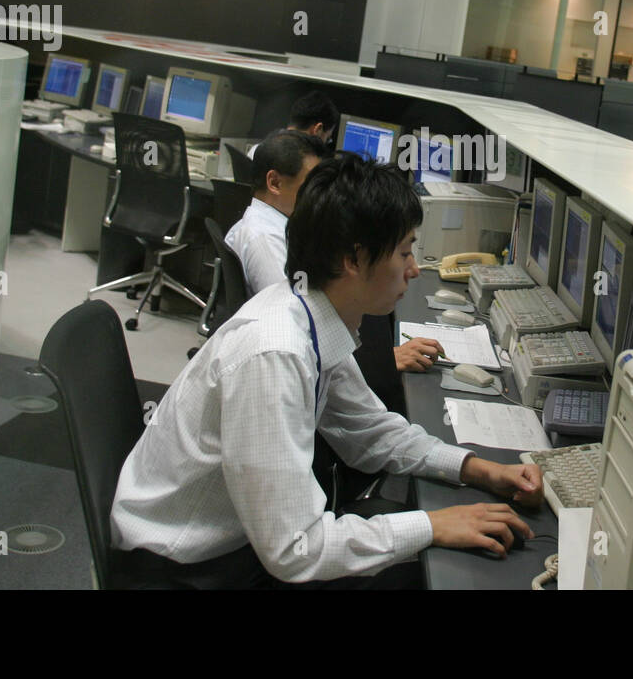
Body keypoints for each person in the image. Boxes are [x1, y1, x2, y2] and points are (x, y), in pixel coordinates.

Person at [110, 154, 543, 588]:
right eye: (405, 251)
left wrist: (477, 468)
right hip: (181, 570)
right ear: (355, 260)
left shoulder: (312, 311)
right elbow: (295, 551)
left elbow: (371, 433)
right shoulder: (275, 353)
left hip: (239, 539)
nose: (414, 269)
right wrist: (432, 525)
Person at [226, 130, 442, 374]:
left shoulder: (281, 225)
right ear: (274, 183)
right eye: (311, 184)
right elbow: (300, 304)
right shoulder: (263, 237)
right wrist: (384, 359)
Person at [248, 91, 340, 160]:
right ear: (318, 130)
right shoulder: (309, 170)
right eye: (327, 139)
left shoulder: (256, 150)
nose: (325, 144)